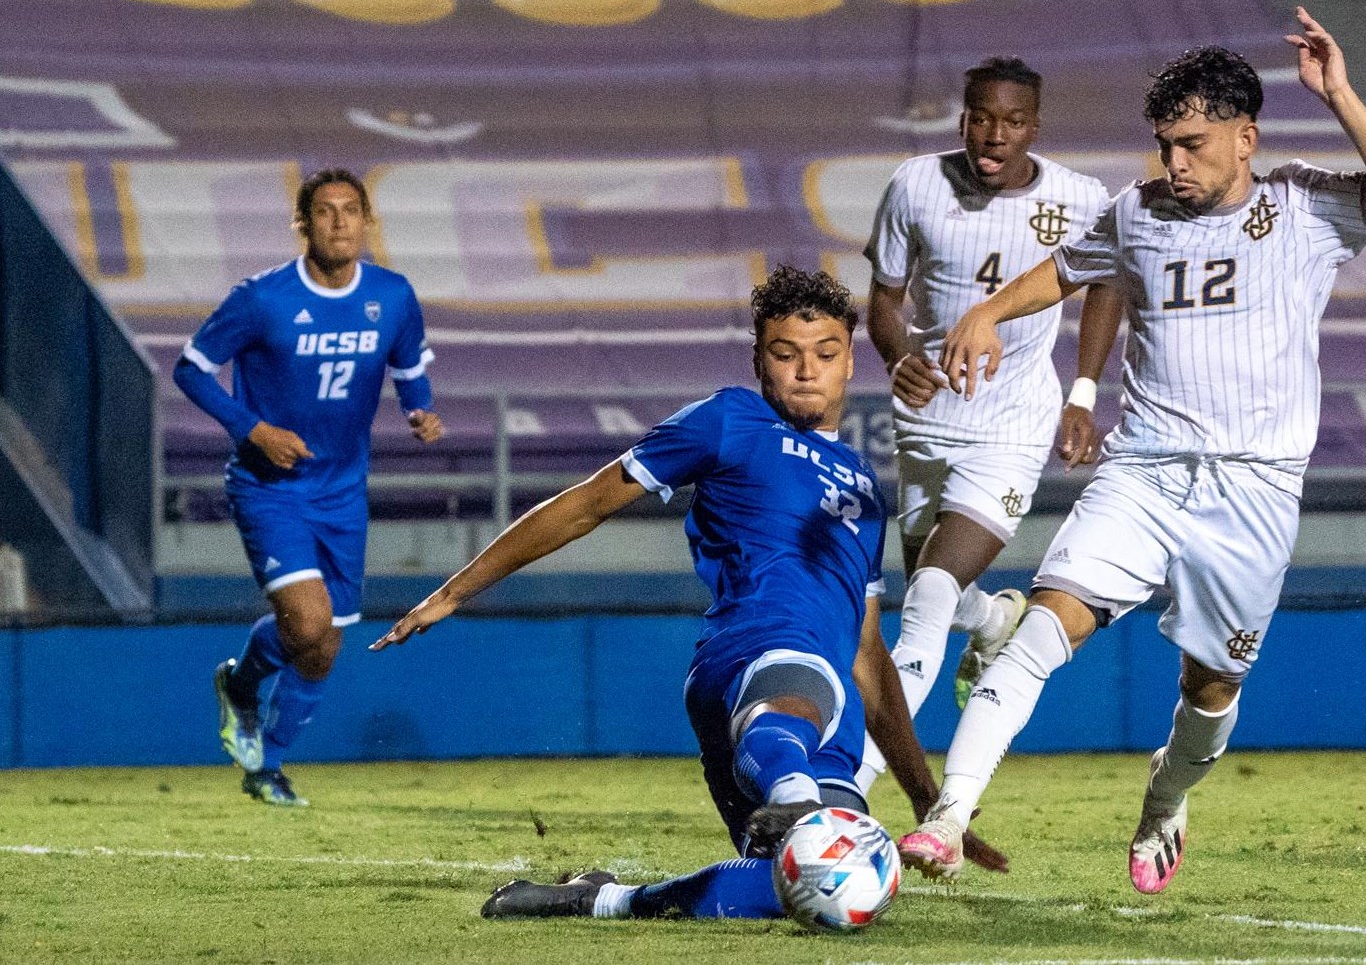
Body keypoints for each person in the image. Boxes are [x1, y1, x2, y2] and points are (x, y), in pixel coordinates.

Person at [899, 7, 1366, 892]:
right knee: (1040, 627)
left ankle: (1163, 798)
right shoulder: (1137, 211)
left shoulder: (1302, 206)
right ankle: (949, 817)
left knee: (1210, 685)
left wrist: (1338, 94)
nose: (1173, 163)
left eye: (1190, 143)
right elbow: (1067, 269)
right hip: (1143, 470)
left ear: (1244, 138)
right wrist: (987, 312)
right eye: (1164, 144)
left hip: (1253, 488)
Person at [372, 266, 1005, 922]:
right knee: (801, 705)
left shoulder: (864, 486)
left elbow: (868, 652)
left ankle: (602, 900)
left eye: (825, 354)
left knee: (830, 884)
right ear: (760, 358)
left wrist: (927, 798)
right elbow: (588, 503)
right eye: (785, 354)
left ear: (850, 359)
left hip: (833, 712)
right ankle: (790, 787)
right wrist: (453, 590)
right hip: (751, 660)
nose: (806, 370)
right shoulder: (728, 418)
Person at [859, 56, 1124, 792]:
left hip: (1012, 426)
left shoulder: (1077, 198)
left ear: (1033, 128)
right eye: (981, 117)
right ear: (963, 117)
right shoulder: (914, 183)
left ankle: (854, 784)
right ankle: (990, 621)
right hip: (925, 424)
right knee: (935, 592)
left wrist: (1081, 392)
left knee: (926, 600)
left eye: (1011, 121)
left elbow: (1103, 286)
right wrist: (894, 358)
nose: (993, 134)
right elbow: (883, 298)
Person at [178, 168, 444, 806]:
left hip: (343, 492)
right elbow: (190, 368)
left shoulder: (393, 295)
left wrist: (419, 410)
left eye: (351, 210)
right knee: (307, 618)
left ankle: (267, 764)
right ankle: (242, 687)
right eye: (325, 211)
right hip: (270, 487)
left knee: (322, 644)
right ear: (302, 223)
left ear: (367, 220)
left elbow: (409, 368)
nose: (340, 222)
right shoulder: (263, 298)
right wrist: (253, 429)